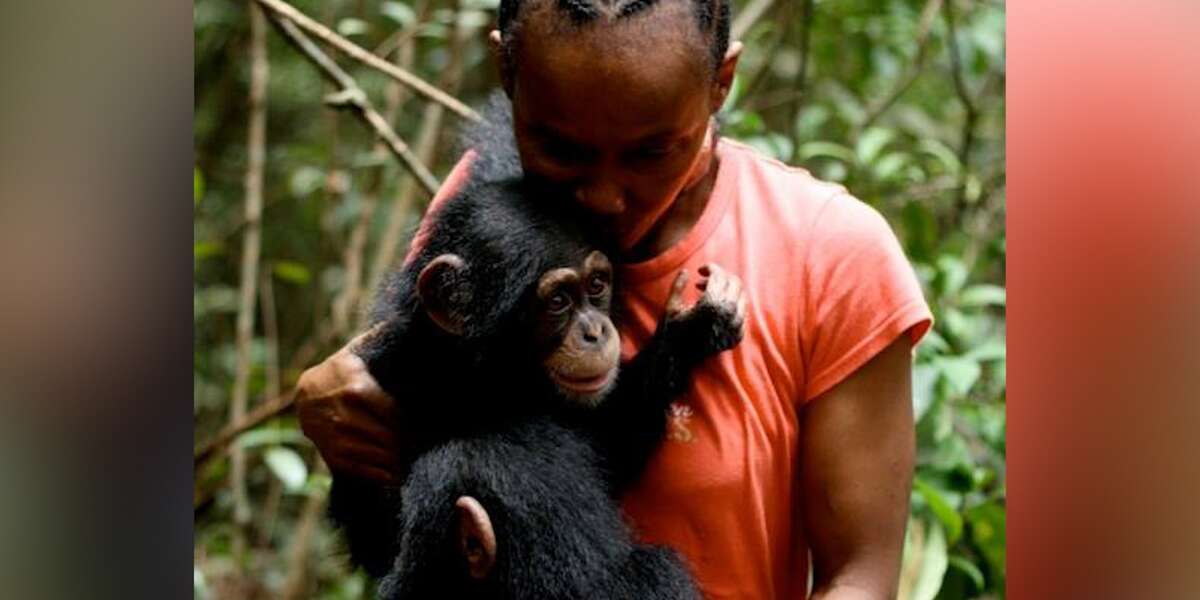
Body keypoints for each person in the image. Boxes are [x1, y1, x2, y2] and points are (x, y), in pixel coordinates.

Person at [296, 0, 933, 598]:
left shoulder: (830, 254)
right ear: (507, 72)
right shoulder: (488, 213)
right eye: (561, 149)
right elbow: (397, 521)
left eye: (651, 150)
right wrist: (345, 420)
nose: (604, 197)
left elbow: (862, 577)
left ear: (722, 80)